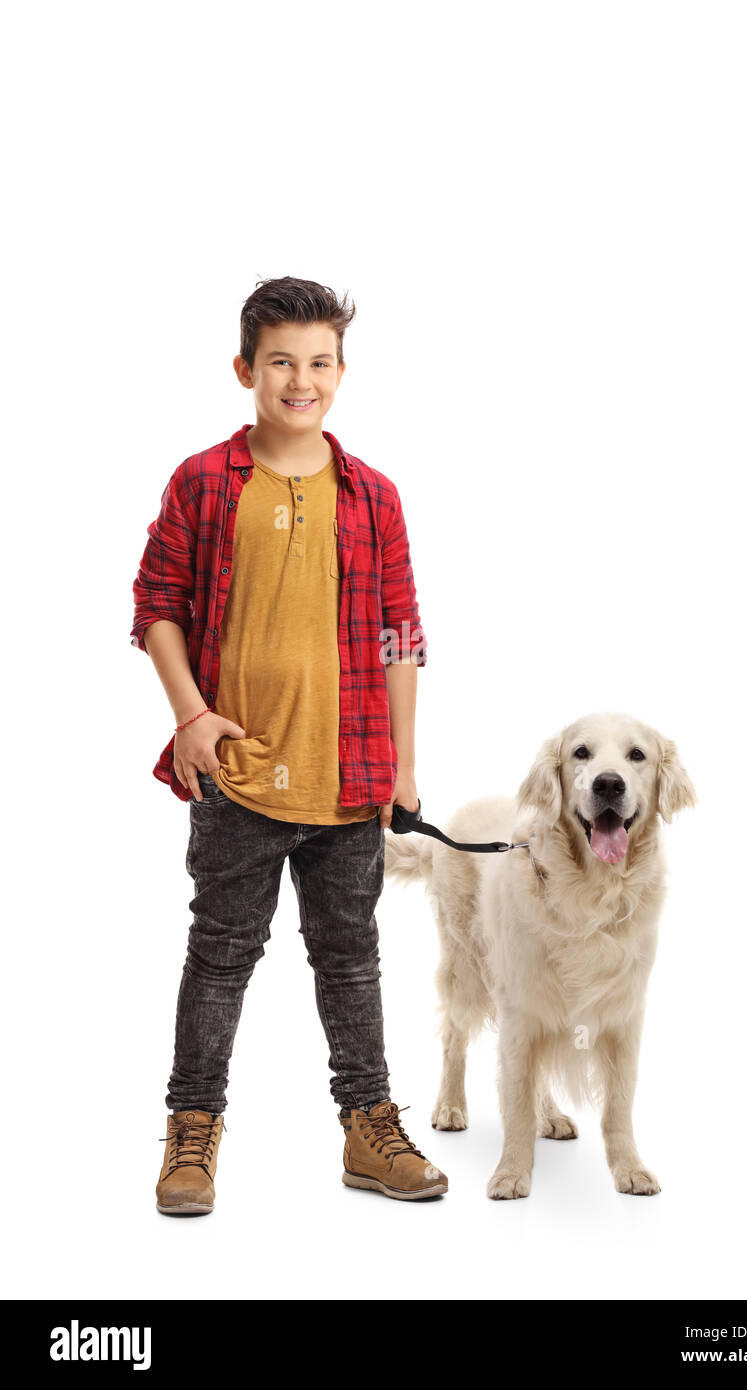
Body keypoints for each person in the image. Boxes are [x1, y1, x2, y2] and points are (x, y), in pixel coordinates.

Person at [130, 275, 447, 1214]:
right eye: (280, 363)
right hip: (239, 774)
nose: (299, 380)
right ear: (245, 370)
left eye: (318, 363)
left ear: (341, 373)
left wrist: (404, 762)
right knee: (221, 954)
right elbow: (155, 607)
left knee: (351, 956)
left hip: (350, 778)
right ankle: (193, 1130)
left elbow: (400, 632)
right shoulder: (204, 482)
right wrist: (191, 717)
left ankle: (369, 1124)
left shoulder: (374, 495)